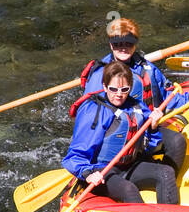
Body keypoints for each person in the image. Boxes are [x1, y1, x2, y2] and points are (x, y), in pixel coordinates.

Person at [63, 61, 178, 204]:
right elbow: (73, 156)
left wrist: (153, 128)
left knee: (166, 173)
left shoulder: (137, 108)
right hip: (101, 171)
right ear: (104, 87)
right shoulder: (94, 112)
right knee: (128, 189)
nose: (119, 94)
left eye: (124, 89)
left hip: (128, 167)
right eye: (113, 89)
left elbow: (149, 148)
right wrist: (88, 174)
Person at [80, 18, 188, 171]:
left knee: (177, 141)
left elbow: (166, 96)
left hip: (148, 130)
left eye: (128, 43)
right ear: (111, 45)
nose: (123, 48)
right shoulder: (101, 75)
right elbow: (90, 115)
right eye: (118, 44)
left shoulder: (147, 68)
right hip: (115, 135)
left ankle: (166, 180)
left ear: (135, 44)